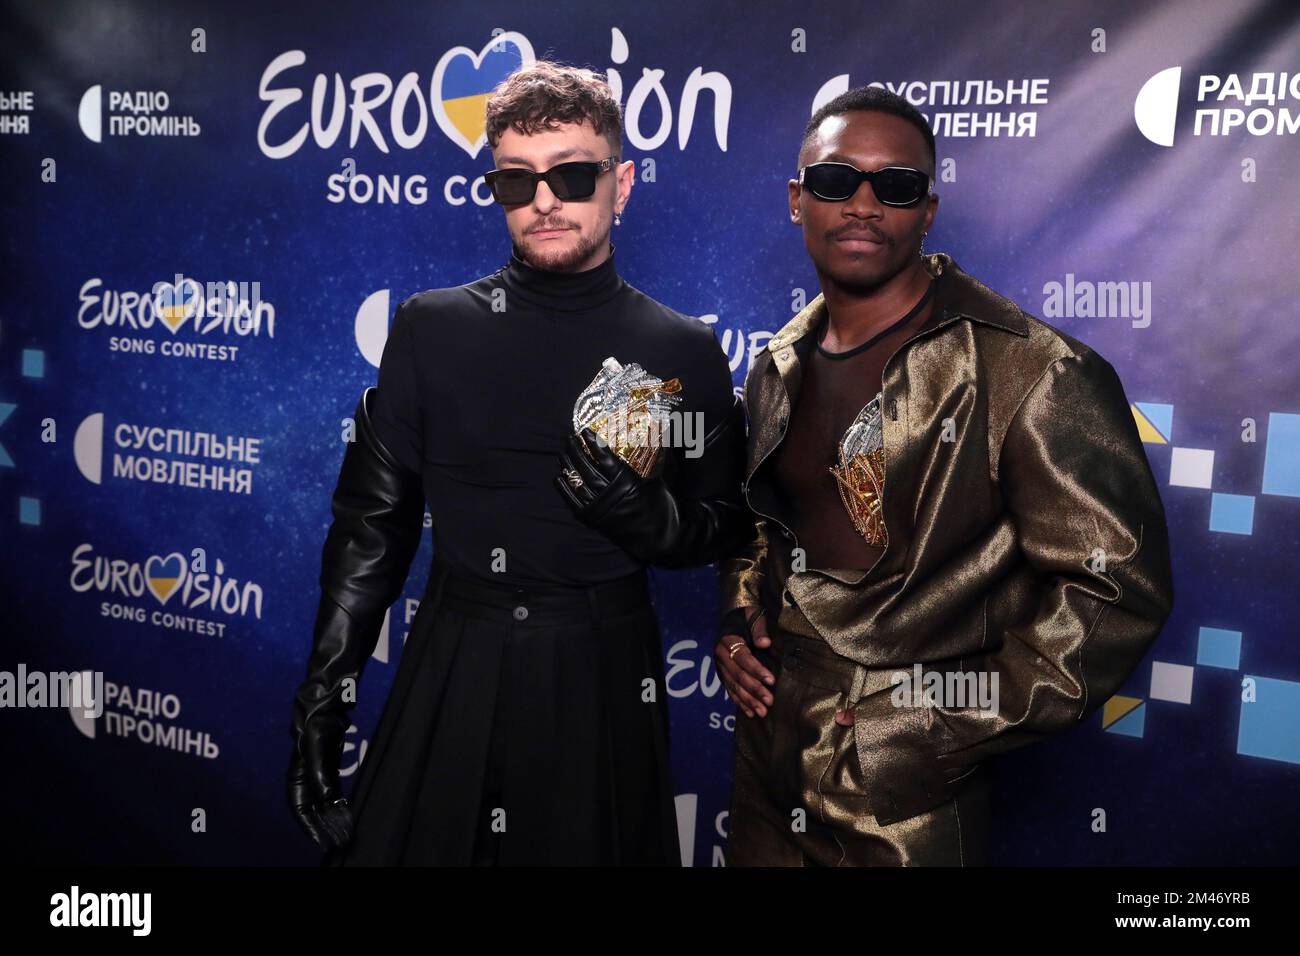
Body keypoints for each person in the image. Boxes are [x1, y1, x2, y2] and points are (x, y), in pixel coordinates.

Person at [286, 60, 751, 866]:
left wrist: (651, 520)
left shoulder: (681, 350)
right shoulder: (431, 330)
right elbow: (373, 529)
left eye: (573, 175)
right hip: (454, 655)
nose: (544, 201)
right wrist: (322, 703)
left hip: (607, 674)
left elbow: (729, 523)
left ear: (623, 183)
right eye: (516, 181)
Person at [714, 85, 1174, 866]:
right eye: (835, 180)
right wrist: (738, 613)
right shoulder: (778, 358)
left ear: (927, 209)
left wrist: (932, 725)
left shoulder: (1031, 368)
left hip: (902, 784)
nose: (863, 204)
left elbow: (1115, 592)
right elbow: (763, 520)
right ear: (798, 200)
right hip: (766, 757)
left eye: (894, 185)